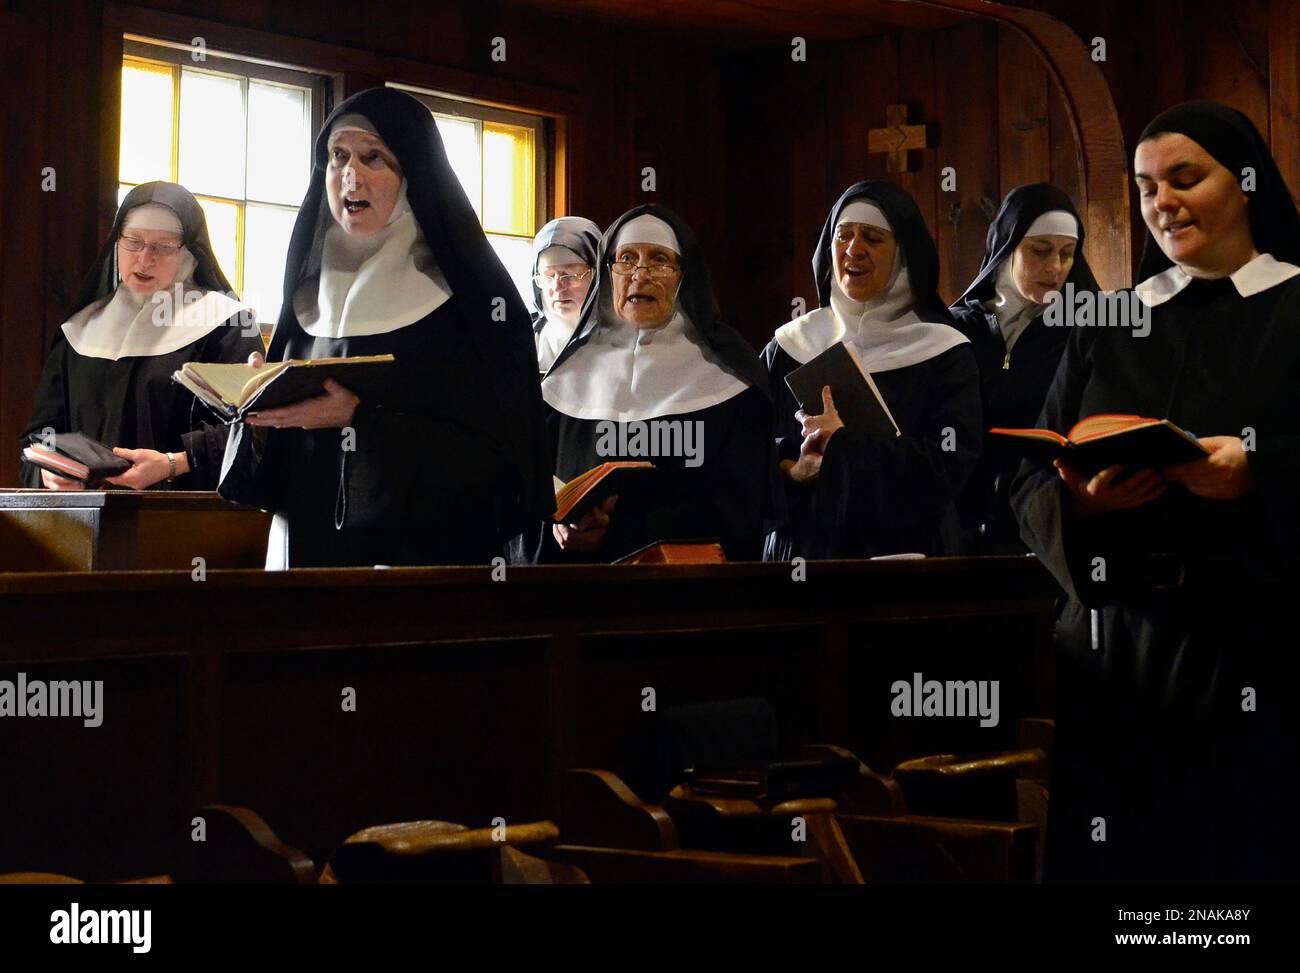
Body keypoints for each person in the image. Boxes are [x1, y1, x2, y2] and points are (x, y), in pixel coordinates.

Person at [1011, 101, 1300, 882]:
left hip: (1253, 647)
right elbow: (1029, 473)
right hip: (1114, 653)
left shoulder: (1295, 305)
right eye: (1145, 188)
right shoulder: (1108, 318)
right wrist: (1080, 499)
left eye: (1184, 178)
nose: (1161, 202)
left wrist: (1257, 469)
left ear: (1244, 186)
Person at [217, 87, 552, 568]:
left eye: (373, 157)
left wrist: (360, 420)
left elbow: (498, 468)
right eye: (337, 156)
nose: (349, 175)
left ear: (413, 174)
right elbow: (269, 481)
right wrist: (261, 417)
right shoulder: (306, 300)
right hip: (303, 564)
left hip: (422, 575)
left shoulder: (474, 308)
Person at [529, 204, 772, 562]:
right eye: (626, 259)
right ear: (607, 274)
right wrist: (559, 528)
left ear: (684, 276)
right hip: (581, 596)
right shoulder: (564, 380)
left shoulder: (730, 378)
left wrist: (631, 533)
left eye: (658, 260)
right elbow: (531, 501)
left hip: (687, 594)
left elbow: (746, 509)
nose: (640, 275)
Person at [762, 180, 981, 560]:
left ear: (902, 254)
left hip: (905, 561)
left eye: (873, 238)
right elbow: (745, 453)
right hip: (801, 558)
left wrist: (843, 445)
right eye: (843, 236)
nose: (853, 249)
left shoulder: (943, 351)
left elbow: (948, 467)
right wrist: (792, 466)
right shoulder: (790, 345)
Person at [20, 182, 259, 490]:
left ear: (189, 253)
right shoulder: (80, 330)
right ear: (116, 243)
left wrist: (174, 464)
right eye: (133, 242)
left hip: (183, 522)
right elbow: (38, 437)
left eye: (164, 246)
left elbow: (251, 433)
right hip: (80, 523)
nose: (145, 259)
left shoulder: (226, 325)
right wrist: (47, 471)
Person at [950, 184, 1098, 553]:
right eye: (1040, 250)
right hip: (959, 532)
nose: (1055, 268)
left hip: (1043, 530)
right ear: (1006, 247)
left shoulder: (1086, 331)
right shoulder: (955, 329)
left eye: (1067, 254)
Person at [530, 216, 601, 372]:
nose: (557, 286)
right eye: (548, 276)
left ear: (597, 277)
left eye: (570, 275)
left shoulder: (624, 342)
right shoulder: (523, 340)